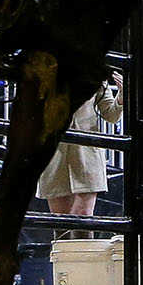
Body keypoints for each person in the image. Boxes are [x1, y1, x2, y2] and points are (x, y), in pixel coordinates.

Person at [37, 76, 121, 232]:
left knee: (83, 216)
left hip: (87, 152)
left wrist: (122, 96)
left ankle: (82, 256)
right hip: (53, 152)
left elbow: (111, 115)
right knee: (60, 222)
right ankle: (64, 256)